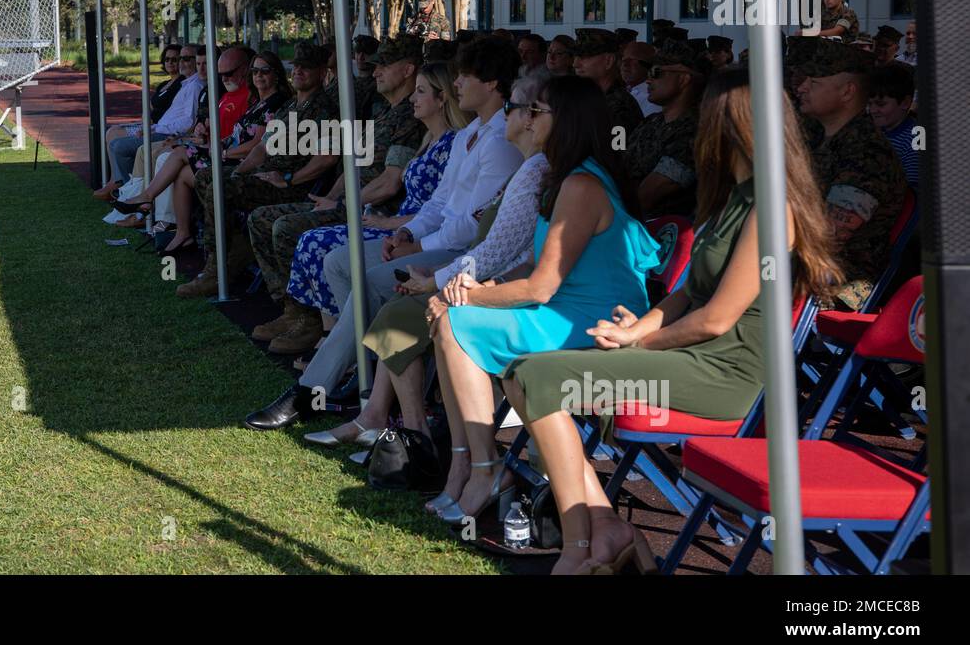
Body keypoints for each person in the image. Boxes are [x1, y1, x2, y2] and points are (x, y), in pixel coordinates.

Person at [502, 68, 840, 573]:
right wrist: (633, 330)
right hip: (694, 357)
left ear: (730, 125)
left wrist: (642, 346)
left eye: (709, 117)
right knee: (525, 374)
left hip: (728, 374)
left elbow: (716, 320)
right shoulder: (734, 198)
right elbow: (686, 293)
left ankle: (583, 545)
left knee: (536, 375)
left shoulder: (772, 208)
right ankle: (604, 530)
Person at [243, 35, 523, 430]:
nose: (456, 84)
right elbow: (439, 205)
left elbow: (473, 224)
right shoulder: (469, 135)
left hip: (459, 255)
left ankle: (312, 389)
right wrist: (407, 234)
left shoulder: (499, 142)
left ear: (492, 83)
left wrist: (420, 242)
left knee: (371, 282)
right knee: (340, 262)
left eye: (464, 76)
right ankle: (365, 367)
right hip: (432, 241)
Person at [423, 74, 659, 525]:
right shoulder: (566, 177)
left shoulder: (582, 185)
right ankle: (469, 464)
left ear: (566, 120)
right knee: (449, 315)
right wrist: (487, 290)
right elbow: (533, 269)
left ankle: (482, 466)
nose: (527, 118)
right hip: (568, 309)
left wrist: (472, 297)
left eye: (537, 111)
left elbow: (542, 287)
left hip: (595, 321)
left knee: (454, 320)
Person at [316, 75, 551, 452]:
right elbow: (448, 210)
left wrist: (434, 279)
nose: (458, 83)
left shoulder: (532, 169)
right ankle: (395, 424)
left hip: (492, 280)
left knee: (400, 302)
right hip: (470, 267)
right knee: (359, 275)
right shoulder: (507, 156)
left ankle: (418, 440)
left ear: (530, 118)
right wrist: (410, 237)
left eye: (512, 107)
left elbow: (499, 250)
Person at [246, 35, 425, 353]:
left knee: (285, 227)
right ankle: (294, 310)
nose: (375, 71)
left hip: (378, 212)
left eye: (383, 65)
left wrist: (340, 202)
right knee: (261, 219)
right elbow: (353, 166)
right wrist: (328, 198)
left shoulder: (410, 117)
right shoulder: (385, 112)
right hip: (349, 201)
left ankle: (311, 319)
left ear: (409, 69)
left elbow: (389, 183)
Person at [279, 61, 466, 360]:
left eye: (421, 92)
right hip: (401, 224)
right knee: (311, 240)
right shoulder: (426, 139)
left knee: (315, 243)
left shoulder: (455, 142)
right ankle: (334, 335)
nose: (414, 99)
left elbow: (445, 209)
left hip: (416, 229)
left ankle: (346, 346)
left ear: (442, 99)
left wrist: (392, 222)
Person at [178, 42, 335, 298]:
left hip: (292, 186)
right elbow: (261, 148)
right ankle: (232, 249)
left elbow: (326, 159)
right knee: (210, 176)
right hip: (265, 175)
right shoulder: (290, 107)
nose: (298, 72)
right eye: (295, 67)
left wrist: (289, 178)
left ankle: (217, 270)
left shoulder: (326, 109)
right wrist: (240, 170)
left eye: (306, 68)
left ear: (321, 72)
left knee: (221, 186)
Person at [113, 52, 290, 249]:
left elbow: (257, 145)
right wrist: (215, 144)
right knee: (181, 173)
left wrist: (222, 152)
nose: (258, 75)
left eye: (264, 71)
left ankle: (148, 200)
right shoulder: (257, 102)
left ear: (276, 74)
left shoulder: (276, 102)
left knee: (178, 152)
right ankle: (182, 233)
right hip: (226, 152)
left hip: (241, 161)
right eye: (255, 71)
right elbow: (235, 134)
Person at [795, 39, 907, 310]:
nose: (801, 88)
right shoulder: (818, 138)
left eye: (815, 82)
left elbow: (828, 235)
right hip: (800, 266)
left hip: (836, 282)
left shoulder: (867, 153)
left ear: (847, 92)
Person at [96, 44, 203, 200]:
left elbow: (187, 122)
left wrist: (153, 128)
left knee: (118, 144)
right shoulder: (184, 84)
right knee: (114, 135)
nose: (179, 63)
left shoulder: (192, 86)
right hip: (158, 128)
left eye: (184, 59)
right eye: (179, 59)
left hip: (167, 132)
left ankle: (128, 191)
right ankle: (124, 186)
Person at [626, 39, 708, 217]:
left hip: (669, 235)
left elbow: (649, 194)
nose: (648, 80)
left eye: (657, 72)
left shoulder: (695, 130)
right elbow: (620, 168)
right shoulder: (649, 124)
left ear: (683, 79)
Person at [572, 27, 644, 136]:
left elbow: (618, 150)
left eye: (584, 56)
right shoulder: (591, 98)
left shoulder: (620, 108)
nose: (575, 64)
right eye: (575, 56)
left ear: (609, 61)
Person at [868, 62, 920, 189]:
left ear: (905, 102)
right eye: (870, 104)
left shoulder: (917, 140)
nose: (873, 110)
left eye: (881, 104)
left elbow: (914, 193)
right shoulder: (872, 130)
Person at [619, 41, 659, 118]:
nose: (625, 64)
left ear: (648, 65)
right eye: (623, 59)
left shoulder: (653, 100)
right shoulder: (622, 92)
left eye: (632, 59)